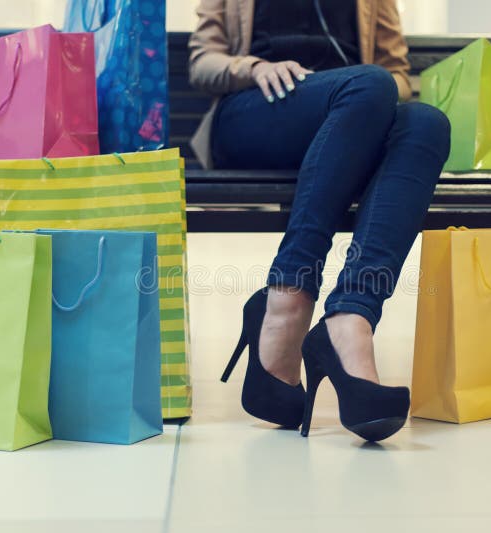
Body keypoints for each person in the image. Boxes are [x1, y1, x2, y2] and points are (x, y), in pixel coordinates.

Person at [189, 0, 451, 442]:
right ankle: (288, 297)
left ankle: (351, 318)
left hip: (355, 115)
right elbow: (202, 62)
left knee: (425, 121)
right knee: (368, 84)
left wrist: (373, 101)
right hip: (261, 111)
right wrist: (252, 67)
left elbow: (397, 73)